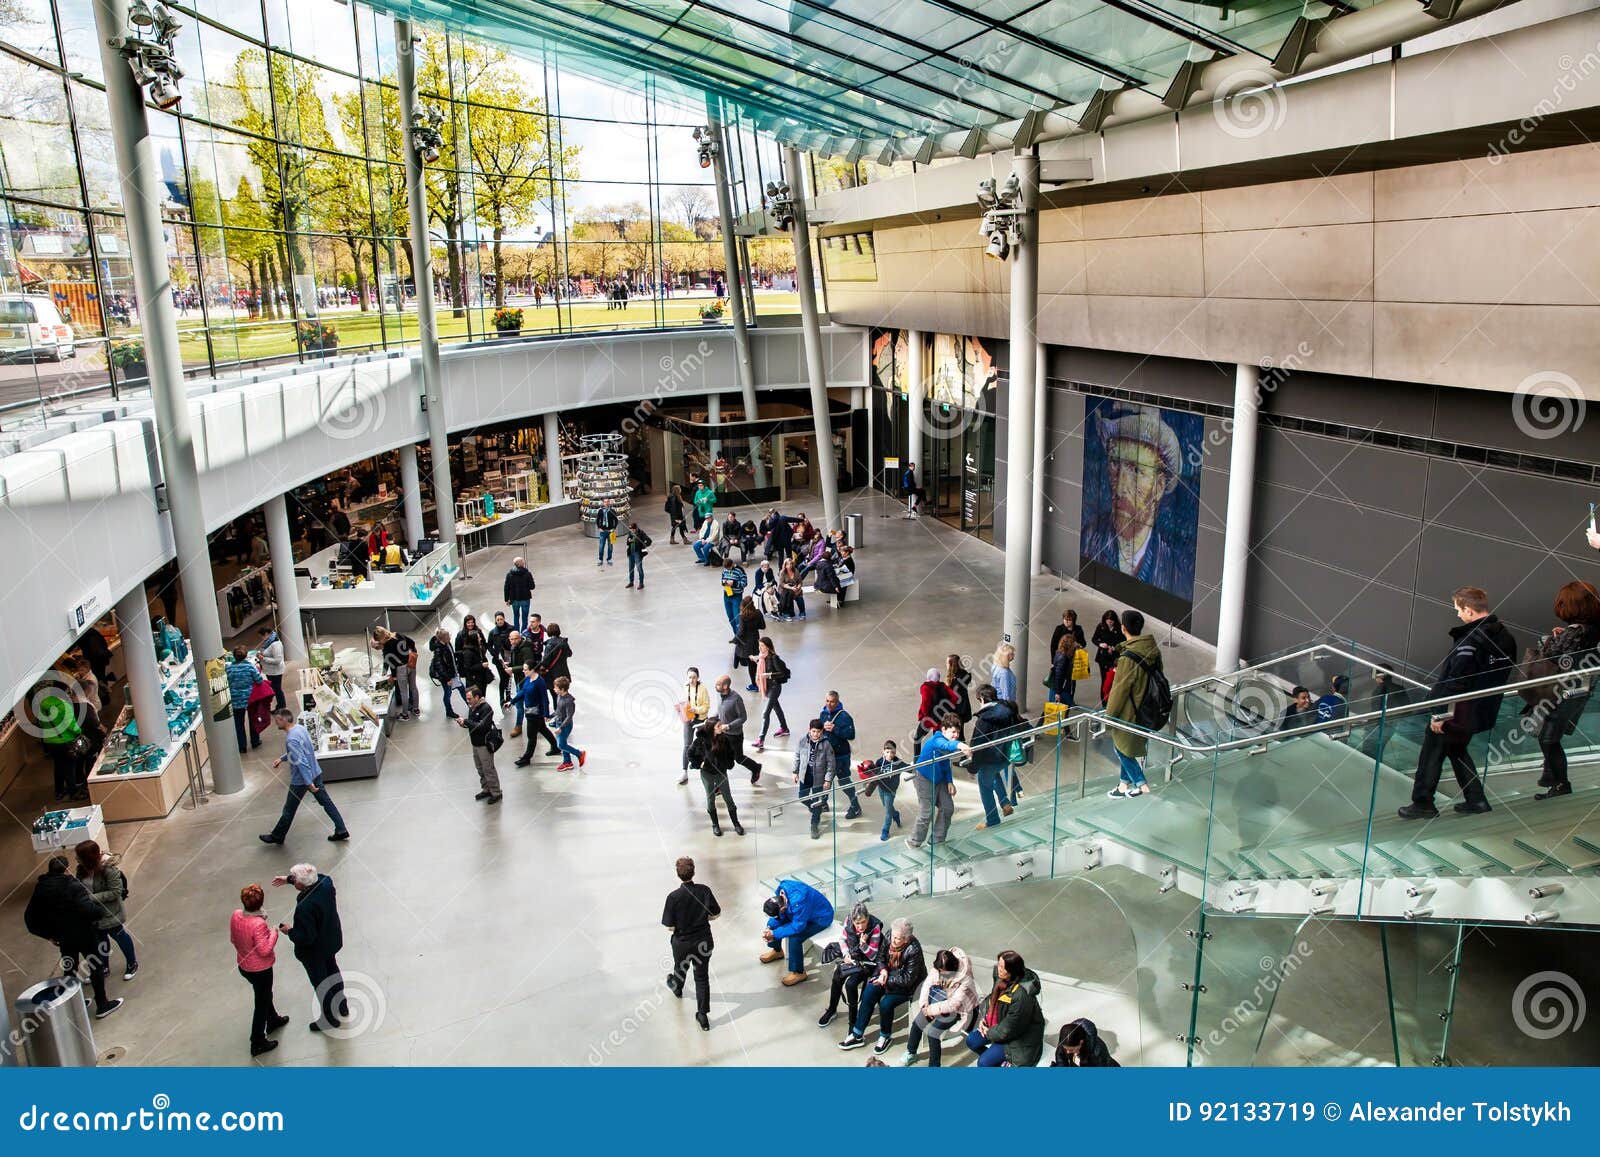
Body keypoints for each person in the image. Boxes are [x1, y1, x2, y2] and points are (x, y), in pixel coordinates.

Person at [1399, 586, 1517, 819]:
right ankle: (1476, 800)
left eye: (1459, 610)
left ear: (1470, 610)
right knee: (1456, 749)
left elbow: (1458, 680)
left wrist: (1441, 713)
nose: (1458, 614)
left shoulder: (1471, 639)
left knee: (1432, 751)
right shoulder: (1504, 636)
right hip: (1481, 709)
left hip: (1458, 709)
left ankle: (1423, 803)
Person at [1081, 406, 1189, 593]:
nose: (1120, 487)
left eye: (1137, 470)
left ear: (1158, 487)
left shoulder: (1175, 571)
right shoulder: (1089, 539)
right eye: (1115, 463)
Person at [1524, 580, 1600, 800]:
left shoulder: (1576, 632)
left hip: (1563, 691)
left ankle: (1560, 784)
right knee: (1550, 735)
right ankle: (1554, 780)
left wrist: (1550, 639)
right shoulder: (1594, 629)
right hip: (1580, 688)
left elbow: (1553, 656)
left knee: (1548, 737)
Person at [24, 855, 122, 1019]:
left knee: (70, 967)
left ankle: (73, 1003)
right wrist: (100, 912)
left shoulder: (41, 888)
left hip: (63, 937)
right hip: (84, 933)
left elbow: (30, 918)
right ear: (66, 869)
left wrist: (49, 935)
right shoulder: (72, 886)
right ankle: (102, 1004)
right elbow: (87, 910)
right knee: (95, 965)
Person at [260, 708, 351, 844]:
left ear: (283, 720)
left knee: (289, 809)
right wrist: (282, 758)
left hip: (301, 780)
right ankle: (341, 829)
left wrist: (309, 783)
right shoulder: (300, 729)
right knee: (326, 802)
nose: (276, 723)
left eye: (277, 720)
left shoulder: (291, 739)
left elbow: (301, 762)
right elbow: (303, 750)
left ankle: (277, 835)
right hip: (315, 773)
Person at [273, 863, 345, 1032]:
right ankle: (342, 1005)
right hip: (330, 940)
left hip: (315, 952)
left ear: (302, 885)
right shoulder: (326, 883)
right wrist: (289, 879)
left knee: (321, 983)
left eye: (295, 879)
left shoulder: (305, 907)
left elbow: (305, 937)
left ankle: (329, 1019)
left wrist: (289, 931)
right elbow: (316, 876)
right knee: (333, 971)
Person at [839, 917, 926, 1053]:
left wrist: (885, 979)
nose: (893, 940)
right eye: (893, 936)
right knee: (869, 991)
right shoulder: (890, 935)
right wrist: (884, 971)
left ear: (906, 939)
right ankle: (857, 1034)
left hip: (908, 986)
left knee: (886, 1004)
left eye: (897, 938)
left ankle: (885, 1036)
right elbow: (880, 957)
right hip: (888, 975)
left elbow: (907, 979)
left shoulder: (914, 950)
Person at [1105, 609, 1160, 799]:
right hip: (1148, 709)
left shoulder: (1127, 658)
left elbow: (1119, 690)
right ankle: (1123, 785)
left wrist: (1109, 716)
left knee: (1120, 748)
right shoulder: (1153, 650)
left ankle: (1141, 785)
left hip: (1130, 711)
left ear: (1123, 628)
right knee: (1126, 746)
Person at [662, 856, 720, 1031]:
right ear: (693, 871)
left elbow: (670, 926)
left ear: (678, 874)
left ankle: (677, 987)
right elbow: (716, 914)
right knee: (702, 977)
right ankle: (702, 1015)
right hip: (703, 941)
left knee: (680, 967)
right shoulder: (704, 891)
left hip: (682, 943)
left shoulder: (673, 897)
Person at [231, 883, 290, 1056]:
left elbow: (233, 939)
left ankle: (272, 1019)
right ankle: (257, 1041)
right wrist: (274, 933)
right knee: (261, 1002)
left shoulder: (236, 915)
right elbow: (264, 950)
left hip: (244, 965)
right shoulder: (258, 924)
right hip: (260, 970)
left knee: (264, 995)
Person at [966, 949, 1045, 1067]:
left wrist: (989, 1032)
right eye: (998, 964)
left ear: (1012, 970)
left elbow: (1009, 1028)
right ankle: (998, 1062)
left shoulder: (1022, 995)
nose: (998, 969)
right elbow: (991, 1000)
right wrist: (985, 1018)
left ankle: (998, 1062)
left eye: (1002, 967)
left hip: (1018, 1039)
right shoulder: (1002, 980)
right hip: (999, 1026)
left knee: (983, 1062)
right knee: (971, 1041)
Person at [903, 946, 978, 1067]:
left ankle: (934, 1066)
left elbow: (954, 1004)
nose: (941, 973)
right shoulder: (940, 966)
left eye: (944, 972)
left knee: (933, 1033)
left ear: (953, 968)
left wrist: (930, 1010)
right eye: (939, 971)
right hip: (938, 1000)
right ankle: (911, 1053)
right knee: (917, 1023)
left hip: (958, 1009)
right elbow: (927, 984)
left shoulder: (965, 976)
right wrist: (924, 1004)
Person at [75, 840, 137, 981]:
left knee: (119, 936)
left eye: (79, 856)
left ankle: (132, 963)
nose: (76, 859)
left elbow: (115, 892)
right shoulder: (81, 869)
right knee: (101, 941)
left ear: (88, 858)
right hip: (93, 913)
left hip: (110, 912)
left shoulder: (108, 870)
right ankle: (103, 967)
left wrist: (91, 898)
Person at [819, 903, 885, 1029]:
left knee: (851, 984)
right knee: (837, 976)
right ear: (852, 920)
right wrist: (845, 954)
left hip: (867, 962)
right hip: (853, 957)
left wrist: (864, 945)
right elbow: (842, 939)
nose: (860, 926)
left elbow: (873, 955)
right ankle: (832, 1010)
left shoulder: (875, 927)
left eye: (863, 922)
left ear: (868, 917)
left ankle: (853, 1022)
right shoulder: (848, 921)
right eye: (857, 923)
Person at [760, 877, 834, 986]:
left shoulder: (799, 902)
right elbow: (779, 918)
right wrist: (769, 927)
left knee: (795, 937)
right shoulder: (781, 893)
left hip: (820, 917)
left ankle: (799, 973)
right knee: (775, 925)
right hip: (802, 914)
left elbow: (797, 927)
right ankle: (777, 951)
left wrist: (774, 934)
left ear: (782, 909)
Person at [909, 719, 967, 849]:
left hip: (939, 778)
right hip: (924, 778)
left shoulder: (947, 742)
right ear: (944, 730)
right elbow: (946, 746)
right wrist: (961, 745)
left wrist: (949, 781)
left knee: (947, 808)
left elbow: (945, 762)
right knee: (926, 812)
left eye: (958, 732)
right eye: (953, 732)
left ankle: (937, 839)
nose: (956, 735)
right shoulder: (937, 740)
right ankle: (914, 842)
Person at [970, 683, 1020, 829]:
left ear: (981, 699)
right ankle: (1005, 803)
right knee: (994, 774)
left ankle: (992, 820)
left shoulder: (984, 720)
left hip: (990, 760)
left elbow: (977, 747)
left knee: (985, 786)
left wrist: (972, 768)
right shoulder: (1008, 710)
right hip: (1006, 756)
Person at [686, 719, 744, 836]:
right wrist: (699, 764)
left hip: (721, 773)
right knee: (710, 799)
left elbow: (731, 754)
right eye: (718, 726)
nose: (721, 727)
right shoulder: (700, 740)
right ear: (711, 728)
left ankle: (736, 823)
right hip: (707, 774)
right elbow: (690, 754)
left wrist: (728, 764)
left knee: (728, 798)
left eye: (720, 725)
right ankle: (715, 825)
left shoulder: (724, 739)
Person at [36, 678, 87, 800]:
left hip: (49, 741)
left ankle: (59, 791)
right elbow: (71, 725)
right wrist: (79, 732)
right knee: (70, 766)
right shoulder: (64, 705)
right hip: (65, 740)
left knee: (58, 765)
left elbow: (41, 723)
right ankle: (73, 792)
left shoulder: (43, 704)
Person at [818, 690, 862, 819]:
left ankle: (856, 807)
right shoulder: (823, 714)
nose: (829, 704)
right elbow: (819, 731)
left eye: (832, 702)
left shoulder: (845, 717)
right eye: (827, 701)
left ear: (837, 702)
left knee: (844, 782)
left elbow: (851, 735)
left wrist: (835, 729)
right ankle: (823, 803)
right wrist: (822, 729)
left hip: (841, 757)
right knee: (825, 780)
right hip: (828, 756)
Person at [792, 719, 837, 840]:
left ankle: (814, 824)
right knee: (802, 797)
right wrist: (795, 772)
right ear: (809, 730)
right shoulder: (802, 741)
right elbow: (797, 756)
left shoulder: (826, 744)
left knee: (817, 801)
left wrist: (828, 780)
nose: (816, 734)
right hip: (805, 774)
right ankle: (816, 808)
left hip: (819, 777)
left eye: (818, 731)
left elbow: (831, 764)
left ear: (822, 731)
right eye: (813, 731)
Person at [458, 685, 503, 804]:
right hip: (475, 744)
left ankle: (496, 792)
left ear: (477, 697)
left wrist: (466, 721)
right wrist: (464, 724)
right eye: (467, 699)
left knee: (488, 769)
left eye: (469, 698)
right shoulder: (472, 707)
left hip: (484, 745)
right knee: (480, 769)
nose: (468, 701)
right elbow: (473, 724)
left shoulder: (486, 709)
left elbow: (483, 727)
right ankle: (486, 789)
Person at [714, 674, 764, 781]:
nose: (715, 686)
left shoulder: (736, 699)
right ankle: (720, 782)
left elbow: (743, 717)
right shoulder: (719, 695)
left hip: (735, 736)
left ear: (725, 686)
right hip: (723, 734)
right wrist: (712, 719)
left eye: (718, 684)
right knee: (722, 755)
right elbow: (720, 710)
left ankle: (756, 767)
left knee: (739, 758)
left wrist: (728, 726)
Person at [511, 661, 561, 766]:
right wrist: (512, 701)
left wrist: (546, 714)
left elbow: (544, 698)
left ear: (532, 670)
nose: (523, 671)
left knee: (531, 736)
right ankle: (555, 747)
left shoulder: (540, 682)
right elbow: (522, 692)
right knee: (543, 729)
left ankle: (526, 758)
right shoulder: (528, 679)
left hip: (536, 713)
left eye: (525, 669)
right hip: (529, 712)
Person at [373, 626, 420, 721]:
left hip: (400, 669)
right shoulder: (398, 635)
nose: (379, 642)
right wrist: (413, 652)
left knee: (404, 692)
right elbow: (411, 642)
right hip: (411, 664)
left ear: (381, 638)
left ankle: (405, 715)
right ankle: (416, 709)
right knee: (413, 687)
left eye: (378, 641)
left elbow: (389, 662)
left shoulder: (387, 647)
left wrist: (392, 676)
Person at [226, 647, 267, 754]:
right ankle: (255, 741)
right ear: (245, 656)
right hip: (250, 698)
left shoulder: (229, 668)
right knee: (253, 719)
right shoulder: (250, 667)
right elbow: (259, 680)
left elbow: (227, 682)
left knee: (238, 723)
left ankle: (242, 746)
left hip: (235, 699)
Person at [752, 637, 791, 749]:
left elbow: (782, 673)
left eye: (762, 646)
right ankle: (784, 728)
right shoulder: (762, 657)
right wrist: (755, 659)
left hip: (774, 687)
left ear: (768, 647)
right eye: (759, 645)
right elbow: (761, 665)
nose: (760, 648)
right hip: (768, 687)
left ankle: (761, 740)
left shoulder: (774, 658)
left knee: (765, 713)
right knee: (777, 708)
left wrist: (768, 675)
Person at [867, 739, 907, 841]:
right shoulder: (879, 762)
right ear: (883, 751)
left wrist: (916, 765)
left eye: (892, 752)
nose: (890, 755)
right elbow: (875, 774)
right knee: (887, 806)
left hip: (891, 791)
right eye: (887, 752)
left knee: (888, 812)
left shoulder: (898, 763)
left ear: (895, 752)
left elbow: (909, 768)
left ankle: (885, 830)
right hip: (881, 788)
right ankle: (896, 814)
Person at [680, 667, 712, 786]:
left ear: (698, 678)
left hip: (700, 720)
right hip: (689, 719)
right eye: (689, 677)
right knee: (686, 745)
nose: (692, 680)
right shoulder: (685, 687)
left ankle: (708, 771)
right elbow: (684, 702)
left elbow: (706, 706)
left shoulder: (703, 689)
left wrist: (696, 710)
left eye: (694, 677)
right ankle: (684, 771)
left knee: (705, 745)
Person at [914, 666, 959, 747]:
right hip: (940, 717)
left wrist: (924, 714)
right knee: (938, 740)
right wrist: (947, 709)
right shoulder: (942, 685)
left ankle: (917, 755)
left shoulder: (925, 687)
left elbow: (925, 702)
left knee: (917, 738)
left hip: (929, 718)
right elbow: (955, 697)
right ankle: (937, 754)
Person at [428, 628, 467, 720]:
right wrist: (447, 679)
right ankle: (449, 711)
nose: (450, 637)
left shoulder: (447, 644)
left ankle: (468, 706)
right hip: (447, 677)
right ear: (444, 638)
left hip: (453, 674)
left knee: (460, 690)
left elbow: (451, 656)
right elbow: (439, 666)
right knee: (448, 693)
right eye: (448, 636)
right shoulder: (439, 649)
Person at [550, 675, 585, 771]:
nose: (554, 689)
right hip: (559, 723)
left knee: (561, 745)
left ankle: (579, 754)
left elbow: (569, 717)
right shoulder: (559, 696)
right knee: (563, 743)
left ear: (562, 689)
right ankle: (567, 762)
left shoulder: (569, 701)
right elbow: (558, 710)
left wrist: (560, 727)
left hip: (565, 726)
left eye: (556, 688)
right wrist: (551, 716)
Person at [1051, 1018, 1119, 1067]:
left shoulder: (1097, 1052)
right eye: (1065, 1048)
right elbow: (1060, 1056)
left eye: (1071, 1050)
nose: (1067, 1052)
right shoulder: (1066, 1039)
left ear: (1081, 1042)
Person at [455, 614, 494, 698]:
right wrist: (467, 655)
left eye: (472, 622)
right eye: (468, 622)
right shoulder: (461, 635)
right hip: (472, 671)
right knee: (474, 693)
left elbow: (484, 643)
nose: (470, 624)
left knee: (481, 691)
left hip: (480, 667)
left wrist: (481, 651)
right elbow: (458, 653)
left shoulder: (478, 632)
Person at [1091, 610, 1125, 706]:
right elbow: (1094, 639)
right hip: (1103, 658)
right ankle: (1104, 703)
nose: (1109, 623)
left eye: (1111, 621)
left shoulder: (1119, 629)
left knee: (1114, 680)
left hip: (1114, 659)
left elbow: (1123, 642)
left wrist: (1115, 648)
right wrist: (1100, 644)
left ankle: (1113, 701)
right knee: (1105, 680)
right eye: (1108, 620)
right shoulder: (1101, 627)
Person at [733, 597, 765, 691]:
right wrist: (753, 626)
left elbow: (741, 632)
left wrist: (734, 639)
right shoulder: (758, 613)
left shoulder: (742, 616)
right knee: (753, 664)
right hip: (755, 641)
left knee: (744, 658)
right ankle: (758, 683)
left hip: (745, 643)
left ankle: (754, 685)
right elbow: (762, 626)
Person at [487, 612, 516, 708]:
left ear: (504, 619)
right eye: (498, 620)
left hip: (510, 657)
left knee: (509, 678)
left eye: (501, 619)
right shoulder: (493, 632)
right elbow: (489, 645)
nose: (500, 621)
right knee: (503, 678)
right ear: (495, 620)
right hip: (499, 660)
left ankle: (508, 696)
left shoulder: (511, 629)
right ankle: (501, 697)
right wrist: (495, 653)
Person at [257, 625, 287, 710]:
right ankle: (280, 706)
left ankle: (281, 707)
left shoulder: (275, 644)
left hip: (275, 672)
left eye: (262, 636)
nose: (261, 638)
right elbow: (266, 652)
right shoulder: (268, 642)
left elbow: (278, 660)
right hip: (270, 671)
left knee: (277, 690)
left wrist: (263, 658)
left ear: (266, 634)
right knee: (275, 689)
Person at [502, 556, 535, 632]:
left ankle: (516, 632)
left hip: (514, 599)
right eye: (523, 561)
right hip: (525, 599)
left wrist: (506, 599)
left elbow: (506, 587)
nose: (524, 562)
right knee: (525, 617)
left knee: (516, 616)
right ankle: (523, 632)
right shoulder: (527, 574)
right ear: (520, 564)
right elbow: (532, 587)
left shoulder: (509, 574)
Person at [719, 557, 748, 635]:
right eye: (726, 568)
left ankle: (740, 636)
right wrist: (724, 582)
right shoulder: (725, 570)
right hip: (727, 595)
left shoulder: (740, 570)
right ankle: (736, 635)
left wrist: (734, 583)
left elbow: (744, 583)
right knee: (730, 617)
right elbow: (722, 580)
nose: (727, 570)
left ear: (732, 564)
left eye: (729, 568)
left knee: (737, 618)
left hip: (736, 597)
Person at [946, 654, 974, 726]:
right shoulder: (963, 674)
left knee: (956, 729)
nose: (946, 664)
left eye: (947, 663)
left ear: (952, 665)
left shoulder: (956, 680)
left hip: (957, 709)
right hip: (962, 707)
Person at [624, 521, 651, 589]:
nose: (631, 531)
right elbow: (627, 543)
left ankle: (641, 583)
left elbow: (649, 541)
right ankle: (631, 582)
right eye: (630, 529)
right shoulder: (630, 533)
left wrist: (644, 545)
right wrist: (629, 541)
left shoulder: (641, 533)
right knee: (631, 568)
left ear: (636, 528)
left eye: (633, 529)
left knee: (639, 569)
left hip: (637, 553)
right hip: (631, 553)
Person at [991, 642, 1018, 708]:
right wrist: (1009, 707)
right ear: (1006, 656)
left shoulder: (995, 665)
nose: (1014, 655)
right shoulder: (1004, 672)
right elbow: (1006, 693)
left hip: (997, 699)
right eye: (1012, 654)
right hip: (1004, 702)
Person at [594, 499, 619, 566]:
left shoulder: (612, 511)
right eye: (605, 502)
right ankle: (600, 559)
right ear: (603, 503)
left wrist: (613, 528)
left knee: (610, 547)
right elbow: (597, 520)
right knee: (601, 547)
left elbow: (616, 521)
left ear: (609, 503)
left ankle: (609, 559)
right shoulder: (600, 511)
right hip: (603, 532)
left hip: (610, 532)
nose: (606, 503)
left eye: (608, 502)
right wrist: (599, 528)